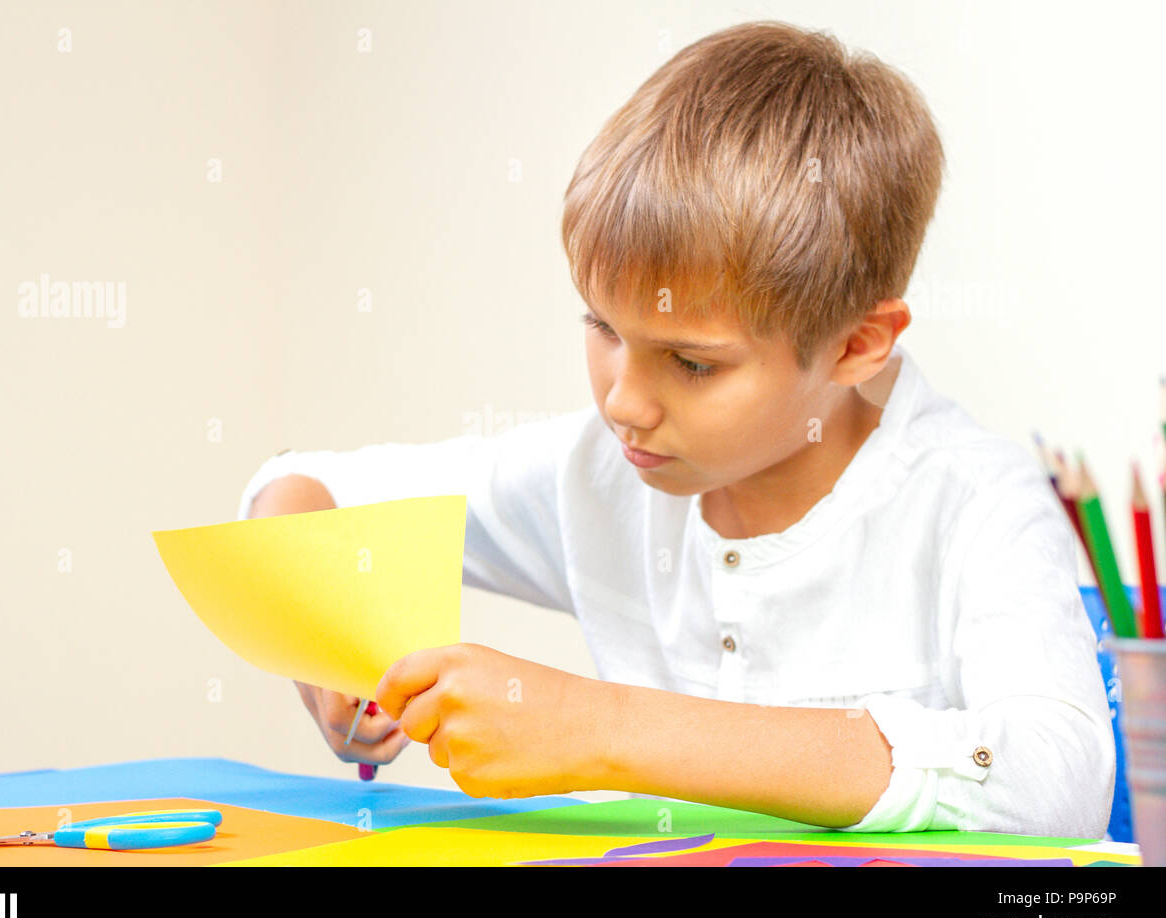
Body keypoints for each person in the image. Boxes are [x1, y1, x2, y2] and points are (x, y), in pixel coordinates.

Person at [239, 21, 1113, 836]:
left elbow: (1058, 780)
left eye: (692, 364)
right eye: (602, 329)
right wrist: (327, 637)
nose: (623, 401)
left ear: (858, 345)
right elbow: (306, 491)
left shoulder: (973, 501)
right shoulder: (602, 470)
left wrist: (606, 728)